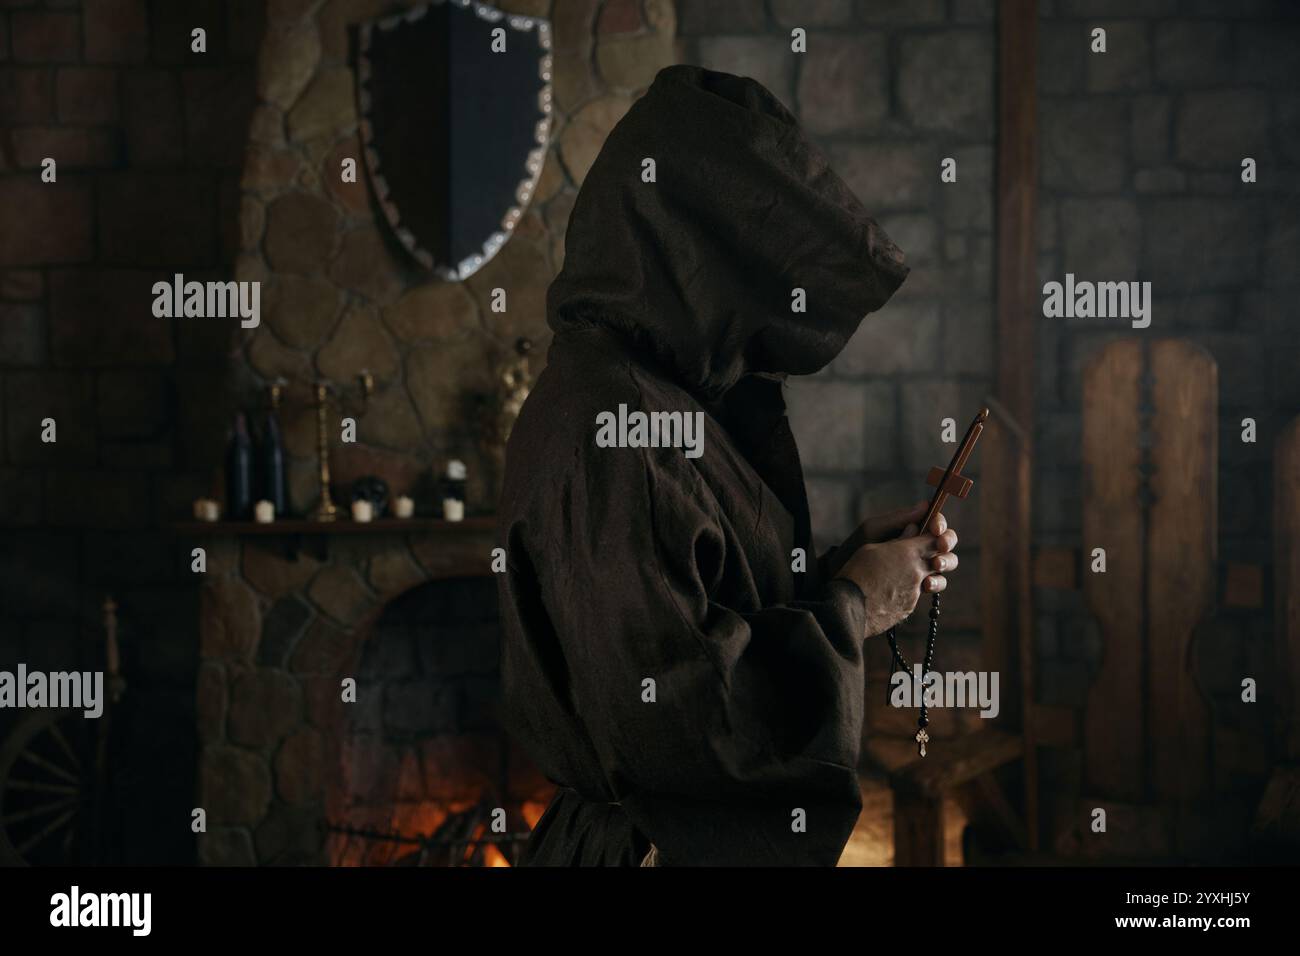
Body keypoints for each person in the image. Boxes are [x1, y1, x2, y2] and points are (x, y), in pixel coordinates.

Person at [495, 66, 960, 866]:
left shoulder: (648, 393)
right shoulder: (618, 422)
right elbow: (689, 732)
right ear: (697, 251)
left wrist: (842, 572)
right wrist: (853, 606)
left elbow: (701, 608)